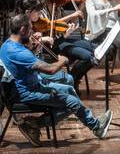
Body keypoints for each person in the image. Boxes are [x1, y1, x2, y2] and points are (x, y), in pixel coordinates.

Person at [1, 13, 112, 144]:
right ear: (22, 30)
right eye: (30, 29)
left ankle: (33, 124)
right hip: (27, 92)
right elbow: (50, 69)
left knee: (70, 90)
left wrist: (34, 47)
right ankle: (96, 127)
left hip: (30, 85)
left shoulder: (7, 45)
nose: (32, 32)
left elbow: (26, 64)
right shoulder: (19, 52)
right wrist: (63, 60)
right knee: (72, 102)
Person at [31, 0, 96, 82]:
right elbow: (49, 24)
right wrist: (72, 15)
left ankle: (74, 78)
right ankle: (73, 80)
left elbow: (67, 25)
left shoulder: (56, 3)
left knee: (95, 49)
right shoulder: (38, 7)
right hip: (51, 44)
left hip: (62, 39)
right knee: (88, 57)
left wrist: (81, 6)